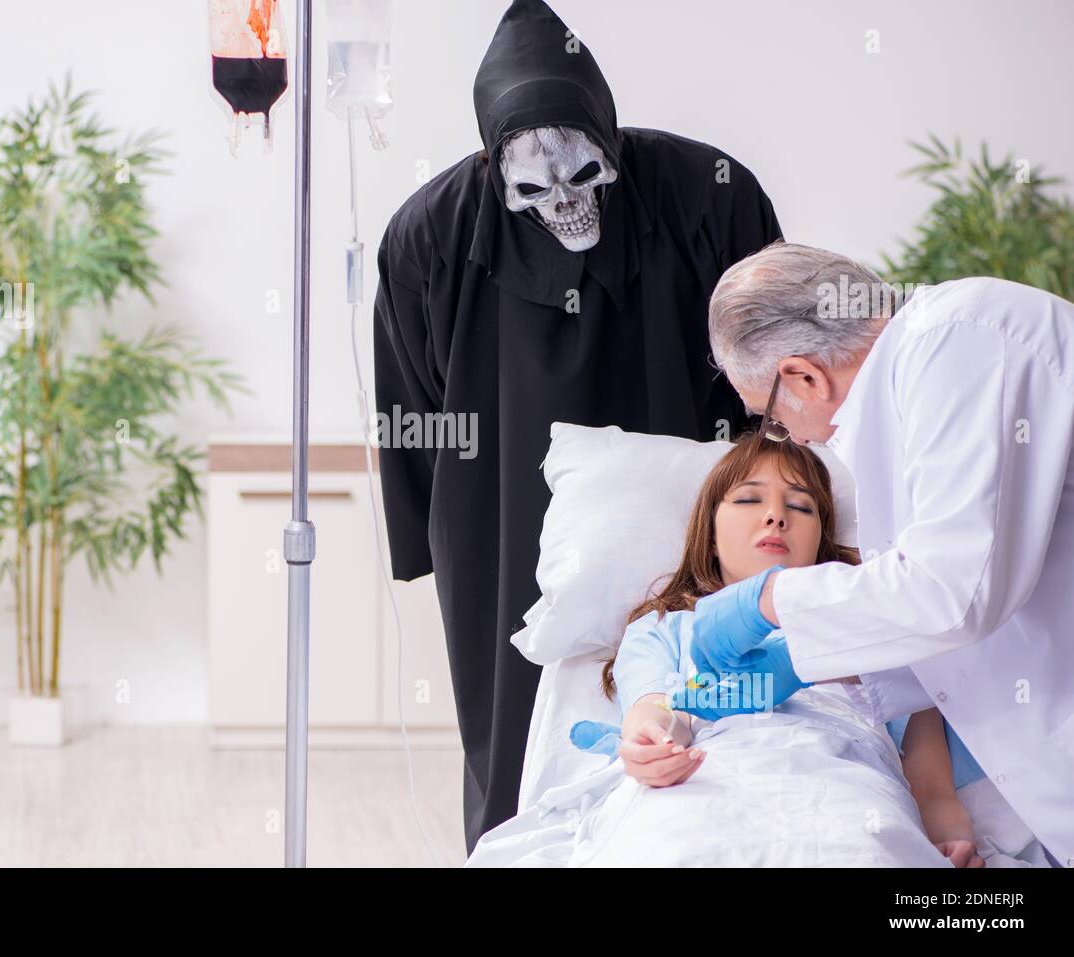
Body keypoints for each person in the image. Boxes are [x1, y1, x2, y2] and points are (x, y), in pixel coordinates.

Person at [373, 0, 781, 855]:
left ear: (613, 143)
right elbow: (413, 403)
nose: (564, 203)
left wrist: (775, 496)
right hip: (498, 509)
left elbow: (770, 370)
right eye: (533, 187)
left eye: (582, 174)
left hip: (682, 486)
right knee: (514, 720)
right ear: (494, 168)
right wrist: (429, 540)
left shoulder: (713, 196)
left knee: (696, 696)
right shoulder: (426, 236)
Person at [682, 241, 1074, 867]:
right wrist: (818, 662)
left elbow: (952, 591)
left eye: (774, 422)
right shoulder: (916, 381)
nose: (791, 439)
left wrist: (771, 598)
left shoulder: (964, 340)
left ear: (804, 376)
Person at [466, 433, 969, 867]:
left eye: (800, 505)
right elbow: (655, 711)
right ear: (708, 534)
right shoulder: (664, 629)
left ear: (822, 541)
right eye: (750, 500)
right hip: (700, 782)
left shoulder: (876, 633)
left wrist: (951, 838)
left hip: (842, 795)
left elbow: (931, 784)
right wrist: (650, 748)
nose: (776, 516)